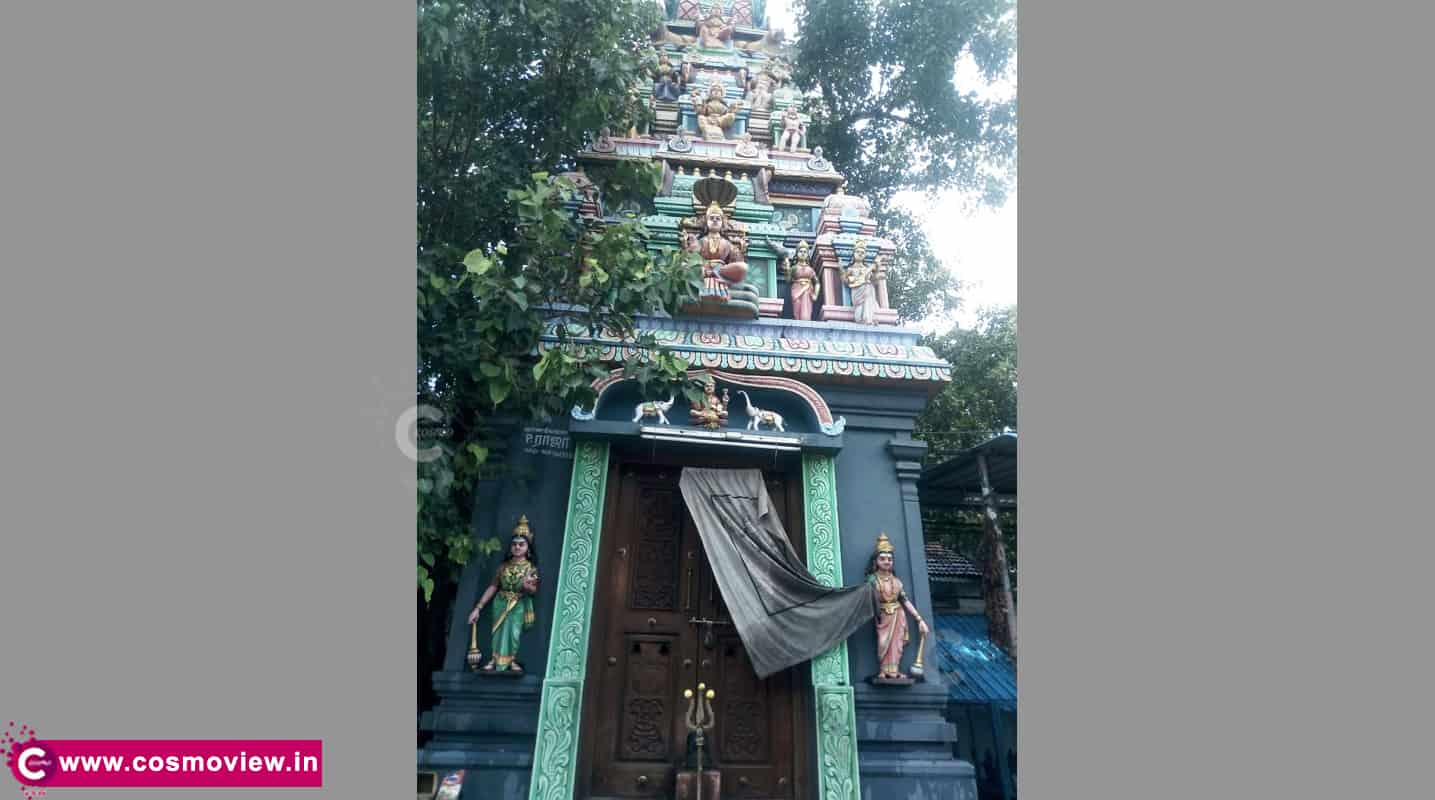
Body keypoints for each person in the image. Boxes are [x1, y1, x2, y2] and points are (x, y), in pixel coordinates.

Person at [467, 516, 540, 673]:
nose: (517, 547)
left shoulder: (530, 569)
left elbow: (533, 590)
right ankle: (494, 660)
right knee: (497, 632)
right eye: (514, 544)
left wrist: (528, 587)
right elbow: (493, 587)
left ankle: (511, 661)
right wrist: (478, 607)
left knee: (513, 633)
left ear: (528, 547)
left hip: (517, 604)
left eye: (521, 544)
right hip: (500, 602)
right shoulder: (503, 567)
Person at [865, 533, 928, 679]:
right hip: (882, 615)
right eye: (883, 559)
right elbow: (867, 598)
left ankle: (894, 671)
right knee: (883, 644)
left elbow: (905, 601)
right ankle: (883, 670)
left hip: (898, 614)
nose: (887, 562)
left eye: (889, 559)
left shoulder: (896, 581)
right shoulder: (872, 580)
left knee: (897, 645)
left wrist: (919, 620)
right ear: (875, 561)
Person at [845, 238, 881, 325]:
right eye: (858, 252)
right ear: (853, 254)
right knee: (858, 310)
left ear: (865, 255)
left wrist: (878, 267)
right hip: (857, 291)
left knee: (868, 300)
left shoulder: (867, 268)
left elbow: (875, 281)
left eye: (862, 252)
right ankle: (861, 319)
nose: (860, 254)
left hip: (868, 289)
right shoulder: (851, 268)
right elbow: (846, 280)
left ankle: (868, 319)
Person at [785, 240, 819, 320]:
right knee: (797, 306)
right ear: (797, 254)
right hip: (796, 290)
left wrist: (815, 295)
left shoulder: (810, 269)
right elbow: (788, 280)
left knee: (806, 310)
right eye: (800, 251)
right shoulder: (794, 268)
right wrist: (787, 269)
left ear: (807, 255)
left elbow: (817, 283)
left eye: (805, 252)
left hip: (808, 291)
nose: (803, 253)